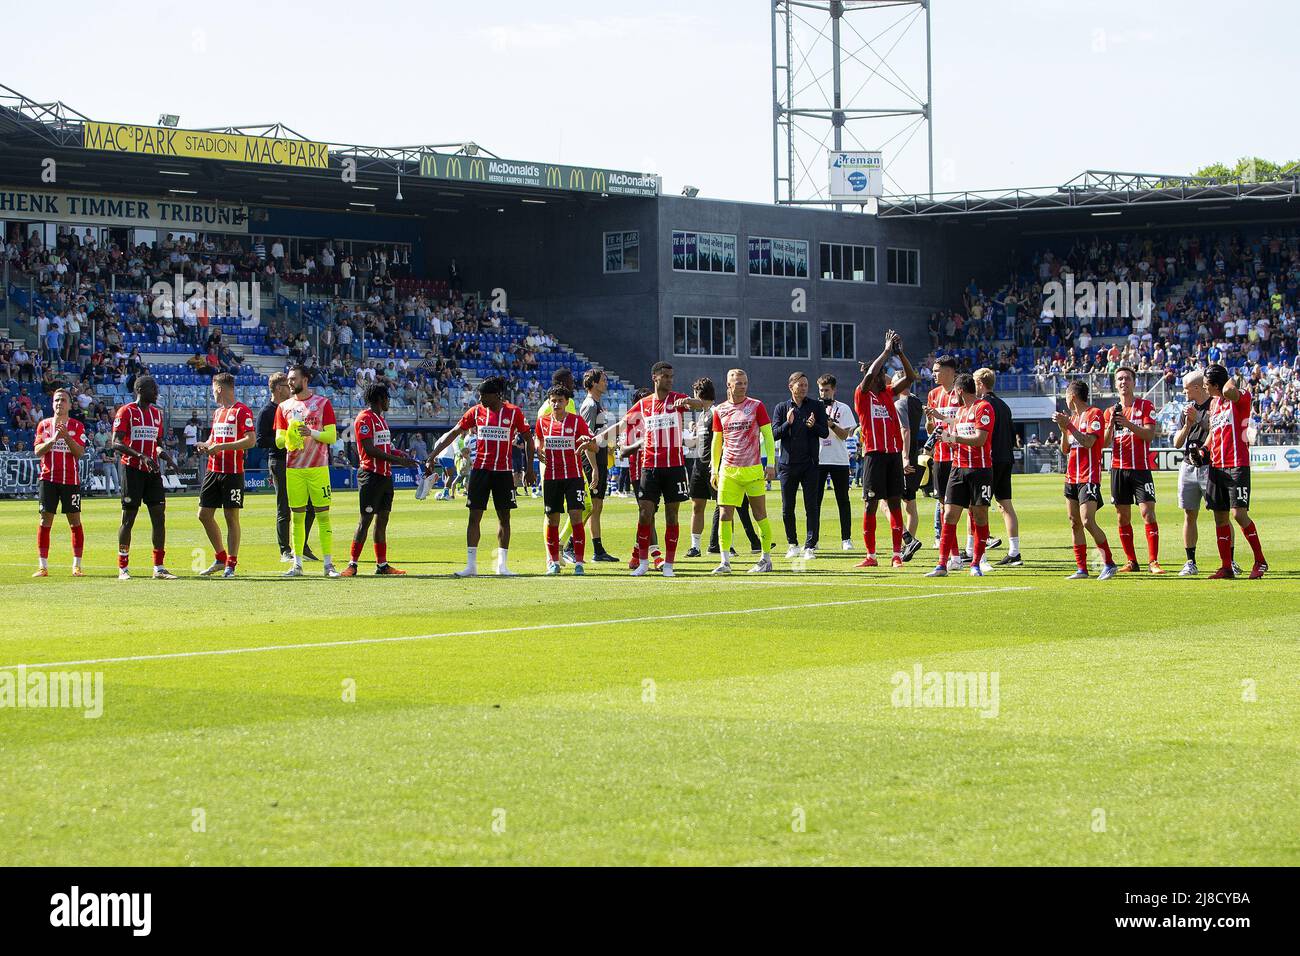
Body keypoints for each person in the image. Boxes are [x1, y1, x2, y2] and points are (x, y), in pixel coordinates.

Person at [426, 377, 535, 577]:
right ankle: (471, 566)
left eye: (484, 394)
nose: (480, 398)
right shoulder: (476, 412)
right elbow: (454, 432)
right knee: (474, 516)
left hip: (503, 472)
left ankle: (502, 566)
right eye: (480, 394)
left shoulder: (513, 413)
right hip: (480, 472)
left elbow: (528, 438)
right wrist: (433, 455)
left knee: (504, 517)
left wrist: (529, 468)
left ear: (497, 395)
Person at [627, 362, 708, 577]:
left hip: (674, 467)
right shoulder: (644, 404)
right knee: (645, 514)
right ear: (655, 377)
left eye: (671, 376)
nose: (670, 380)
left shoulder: (676, 399)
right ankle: (643, 562)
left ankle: (669, 565)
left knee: (672, 516)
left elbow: (701, 404)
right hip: (649, 467)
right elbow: (625, 422)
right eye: (665, 376)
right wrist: (595, 439)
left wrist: (690, 401)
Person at [342, 382, 419, 576]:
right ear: (379, 398)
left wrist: (401, 454)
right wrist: (397, 460)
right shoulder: (364, 418)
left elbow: (384, 447)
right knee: (365, 520)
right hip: (370, 476)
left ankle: (382, 565)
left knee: (382, 520)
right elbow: (369, 449)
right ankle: (352, 564)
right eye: (387, 398)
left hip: (385, 476)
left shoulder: (381, 420)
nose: (388, 402)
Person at [853, 332, 915, 568]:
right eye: (883, 374)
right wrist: (887, 351)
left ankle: (897, 554)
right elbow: (869, 374)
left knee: (894, 502)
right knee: (870, 504)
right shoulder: (862, 395)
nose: (887, 377)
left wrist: (899, 353)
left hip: (892, 457)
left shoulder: (889, 393)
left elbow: (910, 376)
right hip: (874, 455)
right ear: (877, 377)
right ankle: (871, 556)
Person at [923, 373, 994, 577]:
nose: (954, 395)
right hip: (958, 468)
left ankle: (976, 564)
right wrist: (942, 430)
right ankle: (942, 565)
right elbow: (953, 433)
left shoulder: (983, 408)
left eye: (955, 392)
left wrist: (953, 437)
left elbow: (980, 439)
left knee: (979, 515)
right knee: (949, 514)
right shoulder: (960, 413)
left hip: (980, 470)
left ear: (960, 390)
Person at [274, 364, 341, 577]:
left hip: (318, 468)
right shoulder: (283, 407)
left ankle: (328, 565)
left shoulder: (322, 404)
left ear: (305, 380)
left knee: (323, 516)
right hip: (294, 469)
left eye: (293, 378)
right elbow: (278, 440)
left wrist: (310, 431)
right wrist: (288, 438)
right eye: (288, 379)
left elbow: (331, 437)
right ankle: (297, 565)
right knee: (297, 517)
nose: (289, 382)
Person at [1204, 364, 1267, 579]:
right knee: (1220, 518)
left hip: (1237, 464)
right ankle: (1226, 567)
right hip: (1216, 465)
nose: (1205, 388)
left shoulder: (1240, 398)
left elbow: (1230, 390)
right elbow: (1213, 432)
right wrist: (1204, 449)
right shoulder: (1213, 404)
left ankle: (1260, 561)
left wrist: (1227, 379)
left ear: (1215, 384)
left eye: (1207, 384)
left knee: (1238, 514)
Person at [709, 368, 776, 574]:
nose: (743, 386)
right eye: (738, 383)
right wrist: (714, 468)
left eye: (745, 382)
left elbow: (768, 435)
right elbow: (717, 441)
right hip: (728, 470)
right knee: (724, 515)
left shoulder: (756, 406)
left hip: (753, 469)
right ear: (729, 385)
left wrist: (771, 463)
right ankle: (725, 562)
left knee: (759, 514)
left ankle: (766, 559)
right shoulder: (719, 410)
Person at [111, 375, 177, 579]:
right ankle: (123, 567)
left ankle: (159, 567)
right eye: (153, 389)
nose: (157, 392)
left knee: (159, 517)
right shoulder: (127, 411)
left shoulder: (157, 414)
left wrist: (167, 457)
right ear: (140, 389)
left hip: (153, 471)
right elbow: (116, 443)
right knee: (128, 518)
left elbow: (155, 443)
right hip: (132, 470)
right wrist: (140, 456)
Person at [1172, 370, 1236, 576]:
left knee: (1222, 515)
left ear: (1198, 388)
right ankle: (1190, 562)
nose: (1183, 391)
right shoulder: (1186, 410)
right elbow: (1176, 443)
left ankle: (1230, 561)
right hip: (1188, 464)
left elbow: (1217, 431)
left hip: (1212, 465)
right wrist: (1188, 424)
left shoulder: (1217, 404)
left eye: (1186, 388)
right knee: (1189, 514)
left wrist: (1198, 418)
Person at [1053, 380, 1118, 581]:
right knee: (1074, 522)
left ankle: (1109, 563)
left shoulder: (1094, 414)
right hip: (1071, 476)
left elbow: (1089, 442)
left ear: (1072, 396)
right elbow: (1065, 449)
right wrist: (1064, 430)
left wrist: (1069, 426)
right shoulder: (1071, 418)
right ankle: (1082, 568)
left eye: (1065, 394)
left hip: (1088, 475)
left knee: (1088, 521)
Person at [195, 373, 257, 578]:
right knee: (203, 515)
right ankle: (220, 557)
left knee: (231, 517)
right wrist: (206, 445)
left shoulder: (242, 411)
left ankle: (231, 563)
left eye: (213, 389)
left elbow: (250, 440)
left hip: (232, 472)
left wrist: (222, 446)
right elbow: (214, 437)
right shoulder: (217, 413)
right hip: (213, 470)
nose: (212, 393)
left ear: (220, 388)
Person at [1102, 366, 1163, 574]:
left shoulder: (1145, 406)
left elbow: (1148, 435)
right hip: (1118, 469)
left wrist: (1127, 424)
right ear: (1115, 384)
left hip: (1140, 468)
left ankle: (1153, 561)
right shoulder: (1110, 411)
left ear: (1133, 383)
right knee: (1122, 517)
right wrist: (1111, 425)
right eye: (1119, 379)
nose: (1123, 382)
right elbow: (1103, 443)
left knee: (1148, 513)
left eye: (1127, 378)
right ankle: (1131, 561)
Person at [535, 384, 597, 574]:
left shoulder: (577, 422)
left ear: (567, 402)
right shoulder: (543, 422)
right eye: (553, 400)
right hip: (552, 477)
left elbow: (594, 446)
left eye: (560, 401)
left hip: (574, 477)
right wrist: (538, 447)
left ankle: (578, 562)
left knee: (576, 517)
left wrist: (587, 443)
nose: (556, 404)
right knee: (552, 519)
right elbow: (538, 438)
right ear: (549, 402)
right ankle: (553, 562)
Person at [258, 372, 316, 562]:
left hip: (298, 460)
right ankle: (285, 550)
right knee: (284, 506)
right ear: (277, 388)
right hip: (279, 460)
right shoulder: (267, 411)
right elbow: (260, 440)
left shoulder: (292, 408)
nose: (290, 388)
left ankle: (302, 545)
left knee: (309, 505)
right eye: (286, 385)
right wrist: (284, 440)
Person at [772, 371, 829, 559]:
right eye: (800, 385)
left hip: (810, 464)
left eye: (806, 385)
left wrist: (814, 426)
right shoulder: (781, 408)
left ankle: (810, 545)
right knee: (787, 507)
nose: (804, 388)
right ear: (791, 387)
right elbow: (774, 434)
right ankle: (792, 543)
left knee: (811, 506)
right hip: (787, 465)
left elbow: (825, 433)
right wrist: (788, 424)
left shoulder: (816, 406)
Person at [32, 388, 87, 577]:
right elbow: (38, 451)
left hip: (70, 480)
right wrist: (54, 440)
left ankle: (77, 565)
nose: (59, 403)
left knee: (74, 522)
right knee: (45, 520)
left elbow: (79, 453)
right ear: (52, 403)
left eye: (63, 400)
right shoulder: (44, 425)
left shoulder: (78, 426)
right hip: (48, 479)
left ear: (70, 405)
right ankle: (42, 566)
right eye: (56, 400)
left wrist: (67, 437)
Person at [974, 368, 1022, 567]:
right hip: (1006, 458)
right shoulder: (1004, 405)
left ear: (980, 384)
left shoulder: (982, 406)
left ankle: (976, 552)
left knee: (978, 506)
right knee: (1005, 505)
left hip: (989, 461)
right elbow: (1012, 436)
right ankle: (1014, 551)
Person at [578, 368, 618, 562]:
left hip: (600, 458)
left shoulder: (597, 404)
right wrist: (593, 468)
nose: (606, 382)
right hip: (591, 460)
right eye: (603, 380)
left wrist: (608, 447)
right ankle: (570, 545)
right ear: (593, 383)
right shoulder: (589, 405)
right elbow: (586, 439)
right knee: (591, 506)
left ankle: (598, 550)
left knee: (597, 506)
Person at [816, 374, 858, 552]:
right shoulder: (814, 407)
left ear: (833, 390)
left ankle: (846, 538)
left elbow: (844, 435)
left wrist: (831, 424)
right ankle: (813, 540)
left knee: (843, 500)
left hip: (839, 460)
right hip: (818, 460)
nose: (824, 393)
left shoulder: (844, 408)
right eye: (821, 390)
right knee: (814, 501)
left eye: (827, 390)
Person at [926, 355, 962, 556]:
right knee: (943, 504)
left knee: (971, 507)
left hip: (960, 455)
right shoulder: (933, 395)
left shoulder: (961, 393)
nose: (933, 374)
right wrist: (931, 421)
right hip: (940, 456)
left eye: (937, 370)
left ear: (950, 372)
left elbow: (965, 421)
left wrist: (943, 418)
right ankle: (950, 551)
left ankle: (977, 552)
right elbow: (930, 427)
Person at [892, 372, 925, 561]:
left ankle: (908, 540)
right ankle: (908, 546)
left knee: (886, 503)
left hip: (902, 458)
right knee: (910, 505)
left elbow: (905, 430)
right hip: (913, 456)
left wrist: (903, 458)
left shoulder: (900, 404)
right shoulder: (916, 402)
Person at [683, 377, 717, 558]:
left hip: (714, 466)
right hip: (698, 465)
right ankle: (695, 546)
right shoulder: (703, 415)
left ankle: (726, 545)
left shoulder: (715, 412)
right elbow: (697, 443)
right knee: (697, 506)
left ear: (699, 394)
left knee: (723, 507)